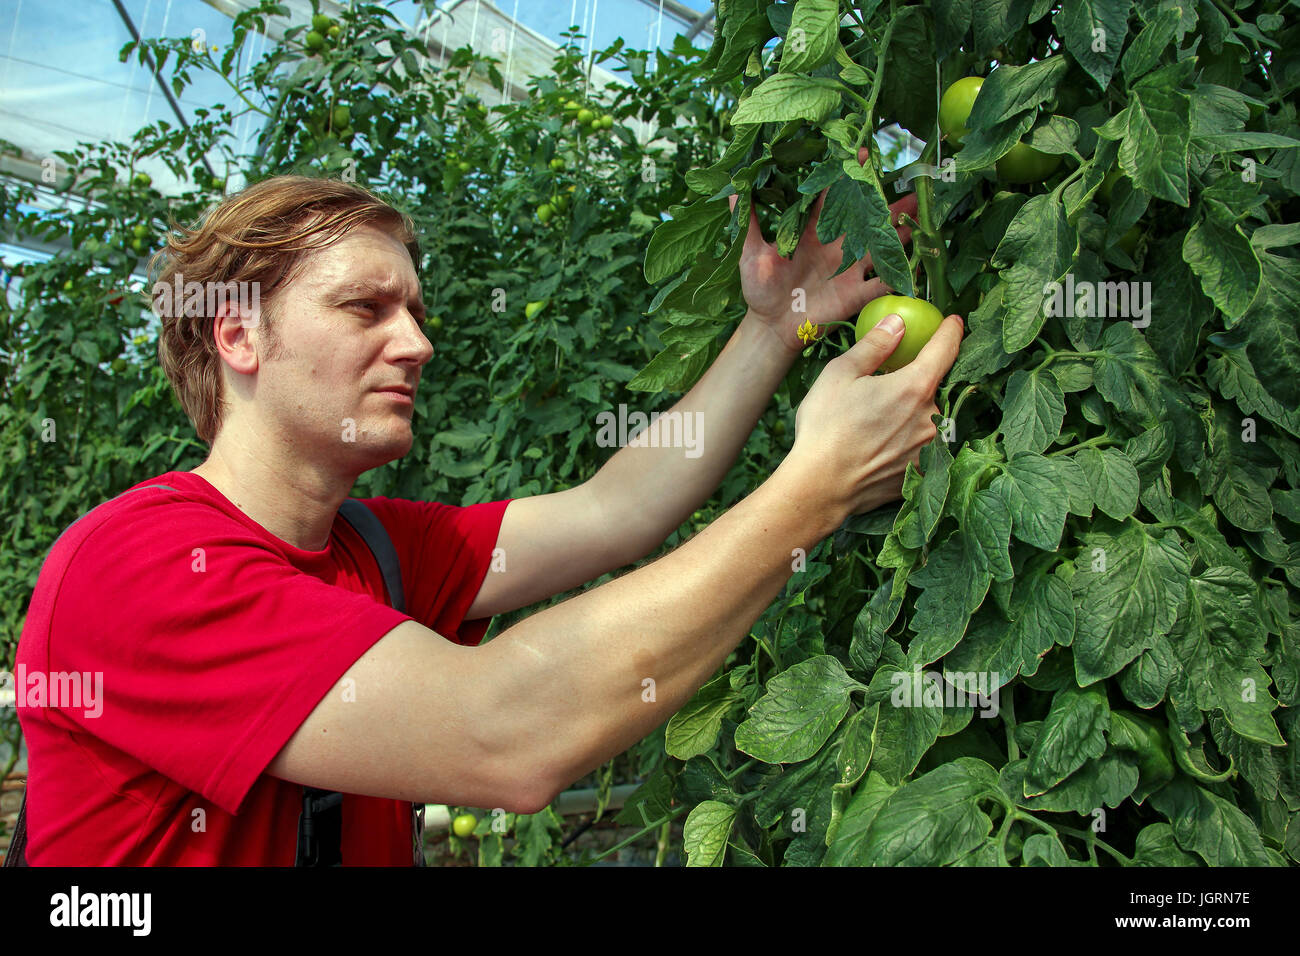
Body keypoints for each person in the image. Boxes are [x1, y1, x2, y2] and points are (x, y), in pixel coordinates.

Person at [13, 168, 961, 865]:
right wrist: (816, 487)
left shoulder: (377, 549)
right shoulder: (139, 566)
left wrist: (775, 325)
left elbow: (619, 506)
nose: (417, 342)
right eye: (365, 307)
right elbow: (507, 734)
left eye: (416, 310)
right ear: (238, 333)